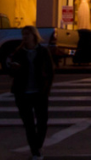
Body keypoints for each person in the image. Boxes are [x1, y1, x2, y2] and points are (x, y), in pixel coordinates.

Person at [7, 25, 55, 160]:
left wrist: (46, 89)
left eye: (27, 34)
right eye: (23, 34)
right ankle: (35, 151)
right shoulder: (18, 52)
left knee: (42, 122)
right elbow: (11, 73)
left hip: (39, 93)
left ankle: (38, 146)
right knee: (29, 124)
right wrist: (14, 68)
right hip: (23, 93)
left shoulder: (43, 51)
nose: (25, 37)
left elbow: (50, 71)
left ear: (34, 36)